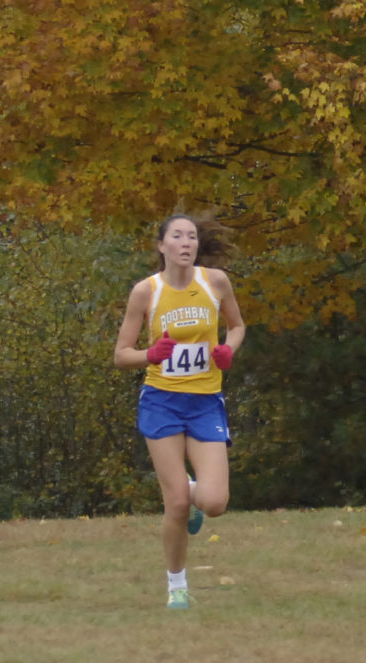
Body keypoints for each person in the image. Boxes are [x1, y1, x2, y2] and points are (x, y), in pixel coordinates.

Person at [114, 214, 246, 609]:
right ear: (162, 246)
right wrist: (149, 355)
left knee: (214, 503)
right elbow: (121, 355)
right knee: (174, 504)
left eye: (192, 236)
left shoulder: (216, 282)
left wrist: (227, 350)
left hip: (205, 402)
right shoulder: (146, 292)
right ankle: (177, 586)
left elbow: (238, 327)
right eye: (177, 236)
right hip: (162, 401)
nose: (186, 242)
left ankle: (192, 490)